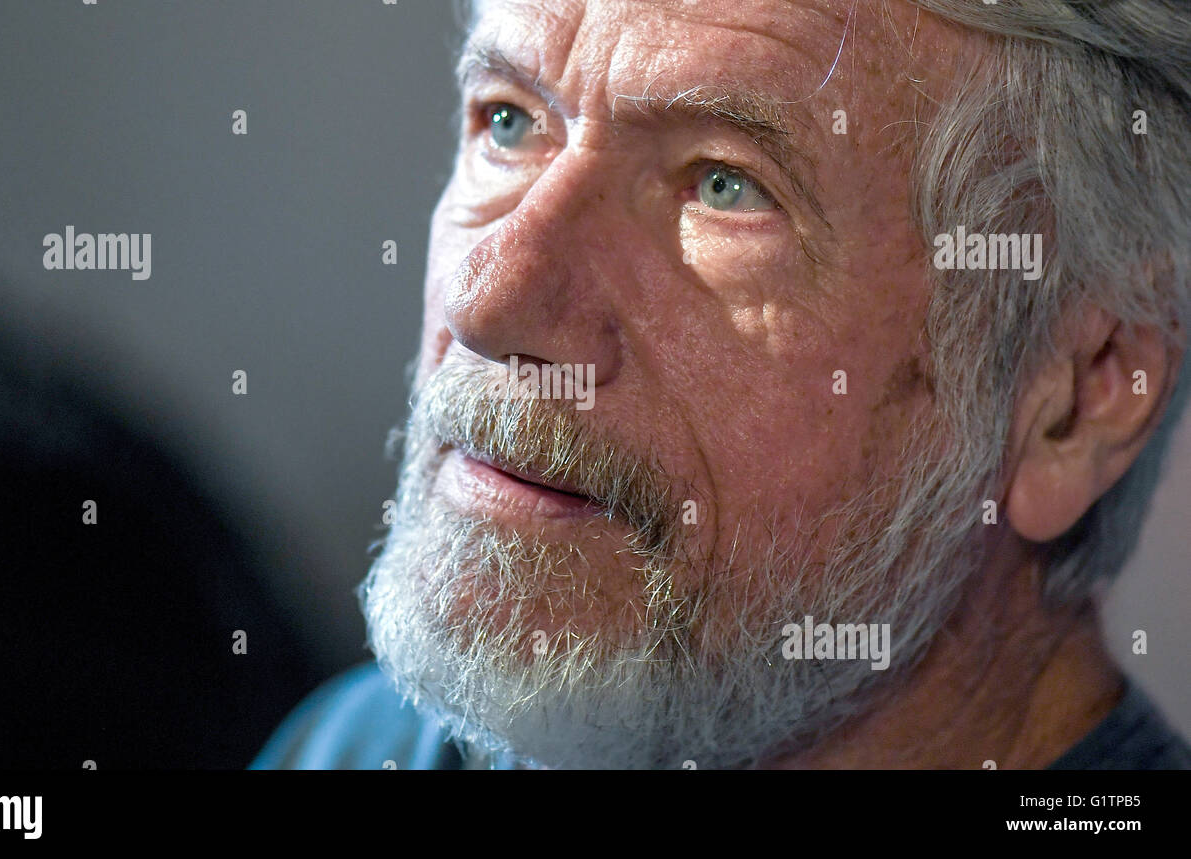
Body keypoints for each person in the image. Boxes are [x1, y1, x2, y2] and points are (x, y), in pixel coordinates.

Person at [255, 0, 1191, 769]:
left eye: (726, 186)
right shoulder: (358, 746)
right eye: (510, 121)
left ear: (1079, 392)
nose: (486, 300)